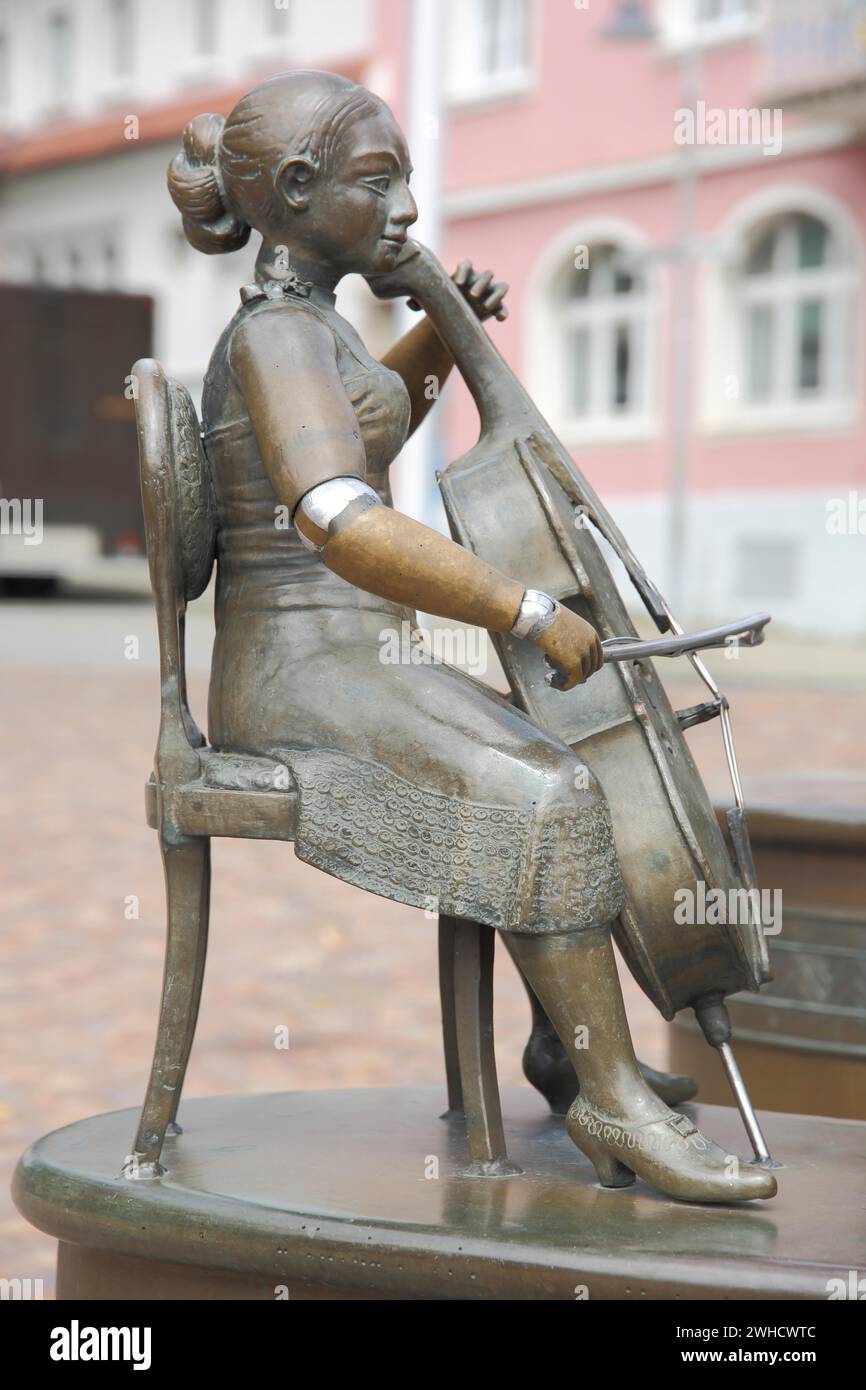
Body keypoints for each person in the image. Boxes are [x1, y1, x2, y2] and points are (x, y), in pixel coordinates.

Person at [168, 69, 775, 1203]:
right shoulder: (278, 341)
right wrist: (524, 607)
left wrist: (443, 326)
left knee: (545, 761)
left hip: (349, 660)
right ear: (297, 191)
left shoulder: (311, 335)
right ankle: (606, 1098)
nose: (404, 208)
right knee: (542, 787)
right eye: (377, 182)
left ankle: (564, 1048)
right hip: (301, 676)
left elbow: (363, 425)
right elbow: (339, 516)